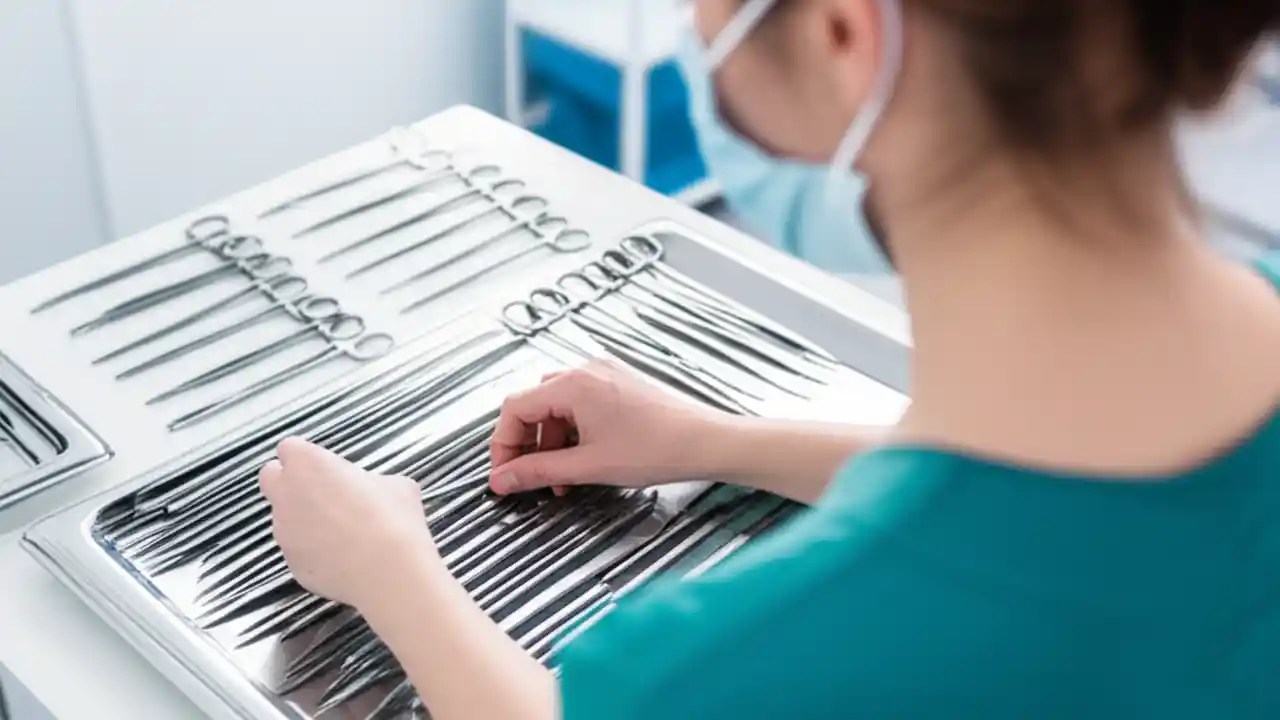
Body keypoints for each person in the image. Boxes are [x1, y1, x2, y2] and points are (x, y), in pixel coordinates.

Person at [258, 0, 1280, 717]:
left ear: (846, 35)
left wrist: (385, 568)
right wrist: (714, 441)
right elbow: (1072, 513)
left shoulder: (753, 657)